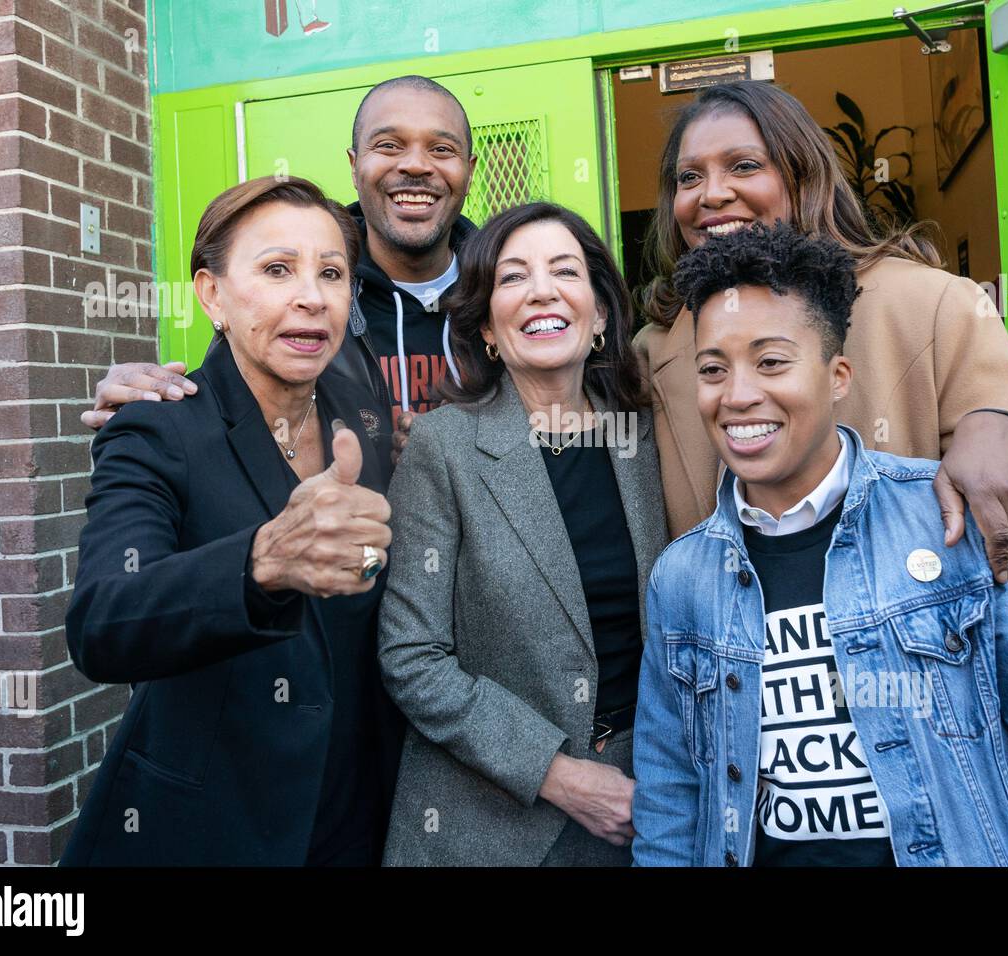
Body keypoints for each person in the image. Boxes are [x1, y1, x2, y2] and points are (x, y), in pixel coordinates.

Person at [631, 223, 1008, 867]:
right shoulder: (682, 576)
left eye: (772, 361)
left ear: (838, 376)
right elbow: (671, 801)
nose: (739, 394)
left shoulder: (966, 521)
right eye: (713, 369)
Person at [62, 176, 404, 866]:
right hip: (217, 824)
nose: (311, 295)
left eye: (331, 273)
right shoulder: (157, 427)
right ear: (212, 294)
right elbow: (102, 622)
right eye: (277, 269)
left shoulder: (360, 410)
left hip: (359, 815)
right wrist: (261, 561)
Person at [634, 81, 1008, 589]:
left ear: (803, 175)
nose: (712, 193)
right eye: (689, 176)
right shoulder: (655, 351)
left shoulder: (933, 305)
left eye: (744, 166)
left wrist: (1003, 430)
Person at [377, 202, 667, 866]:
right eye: (513, 277)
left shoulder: (649, 436)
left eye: (565, 271)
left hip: (646, 813)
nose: (542, 290)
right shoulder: (442, 447)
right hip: (489, 826)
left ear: (599, 315)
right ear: (486, 327)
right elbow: (412, 658)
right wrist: (559, 775)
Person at [82, 74, 479, 462]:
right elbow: (224, 417)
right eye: (389, 145)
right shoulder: (300, 300)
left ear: (470, 168)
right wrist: (143, 411)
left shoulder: (506, 291)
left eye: (442, 149)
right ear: (355, 165)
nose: (415, 165)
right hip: (343, 522)